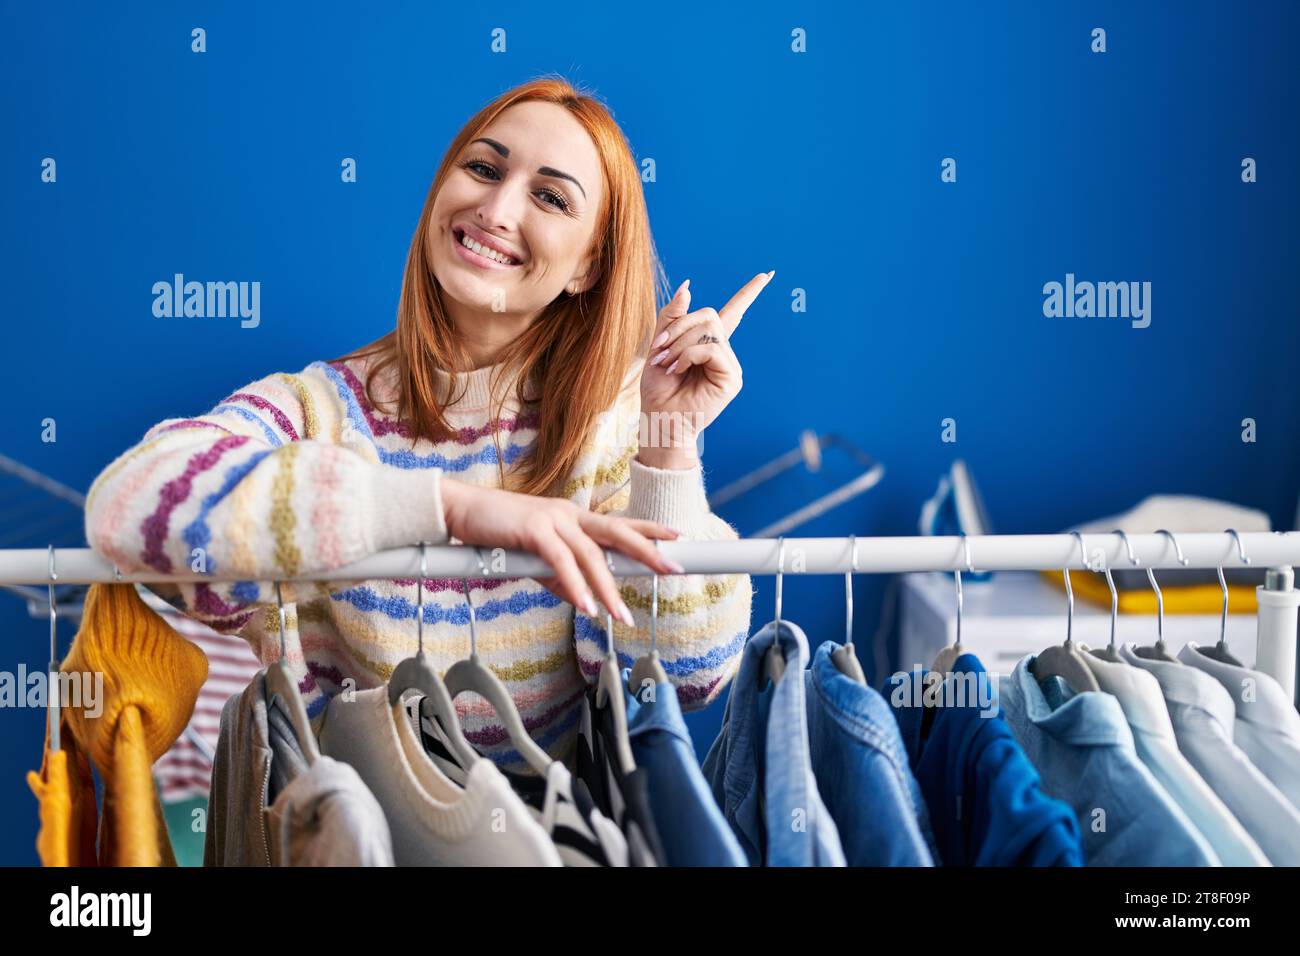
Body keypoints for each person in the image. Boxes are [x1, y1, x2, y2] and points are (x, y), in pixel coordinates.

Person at [84, 76, 771, 773]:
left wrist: (671, 445)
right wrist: (453, 510)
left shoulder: (610, 427)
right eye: (483, 167)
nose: (498, 208)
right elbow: (126, 506)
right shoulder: (321, 410)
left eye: (550, 196)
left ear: (588, 265)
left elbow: (682, 678)